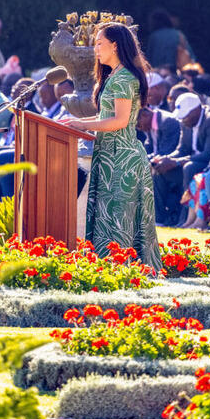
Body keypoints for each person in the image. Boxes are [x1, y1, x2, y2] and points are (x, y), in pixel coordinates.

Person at [59, 23, 161, 269]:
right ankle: (109, 270)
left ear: (115, 45)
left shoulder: (124, 77)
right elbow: (107, 115)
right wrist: (77, 121)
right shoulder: (114, 75)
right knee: (107, 216)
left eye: (99, 43)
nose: (95, 49)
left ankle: (125, 271)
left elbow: (120, 121)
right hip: (109, 156)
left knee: (118, 219)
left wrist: (82, 126)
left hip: (122, 159)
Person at [150, 92, 210, 226]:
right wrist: (166, 159)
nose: (184, 120)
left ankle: (184, 220)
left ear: (196, 110)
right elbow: (181, 149)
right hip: (192, 162)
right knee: (159, 169)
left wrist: (176, 162)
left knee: (189, 168)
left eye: (186, 116)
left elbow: (208, 154)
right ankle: (159, 219)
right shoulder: (186, 122)